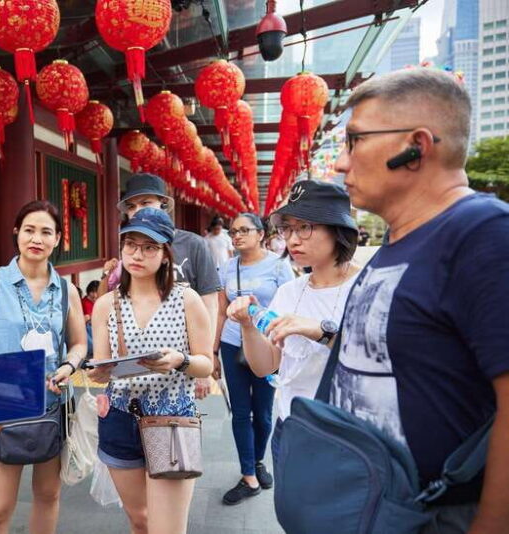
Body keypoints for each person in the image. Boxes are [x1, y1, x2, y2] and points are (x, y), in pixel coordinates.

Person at [326, 68, 509, 533]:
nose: (340, 164)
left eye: (354, 141)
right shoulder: (399, 239)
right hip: (376, 509)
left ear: (416, 147)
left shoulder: (483, 232)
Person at [0, 200, 88, 534]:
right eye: (29, 230)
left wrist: (69, 365)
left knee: (48, 495)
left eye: (46, 231)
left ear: (58, 239)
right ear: (17, 233)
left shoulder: (66, 289)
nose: (37, 238)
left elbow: (79, 343)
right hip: (2, 406)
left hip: (52, 403)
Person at [89, 208, 213, 534]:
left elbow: (206, 364)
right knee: (140, 520)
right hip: (119, 417)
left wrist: (180, 361)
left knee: (167, 529)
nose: (137, 254)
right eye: (130, 244)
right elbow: (102, 369)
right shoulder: (106, 305)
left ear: (165, 253)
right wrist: (95, 374)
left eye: (149, 247)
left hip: (171, 419)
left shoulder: (186, 300)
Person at [226, 181, 360, 471]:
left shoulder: (364, 287)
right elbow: (267, 367)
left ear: (337, 229)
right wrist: (248, 326)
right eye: (288, 228)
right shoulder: (289, 291)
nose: (293, 240)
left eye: (305, 228)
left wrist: (319, 331)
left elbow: (376, 355)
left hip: (347, 434)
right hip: (290, 426)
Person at [97, 173, 222, 398]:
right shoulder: (131, 248)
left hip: (181, 365)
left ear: (163, 204)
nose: (138, 210)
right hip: (132, 375)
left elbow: (209, 304)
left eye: (146, 203)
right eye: (132, 206)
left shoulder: (194, 245)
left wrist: (205, 361)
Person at [214, 212, 294, 505]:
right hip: (233, 344)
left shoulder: (279, 266)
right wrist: (212, 352)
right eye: (233, 232)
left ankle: (258, 460)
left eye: (244, 230)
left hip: (268, 346)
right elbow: (221, 311)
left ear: (261, 234)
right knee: (240, 411)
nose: (237, 236)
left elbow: (287, 309)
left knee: (262, 412)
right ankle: (248, 474)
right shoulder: (226, 267)